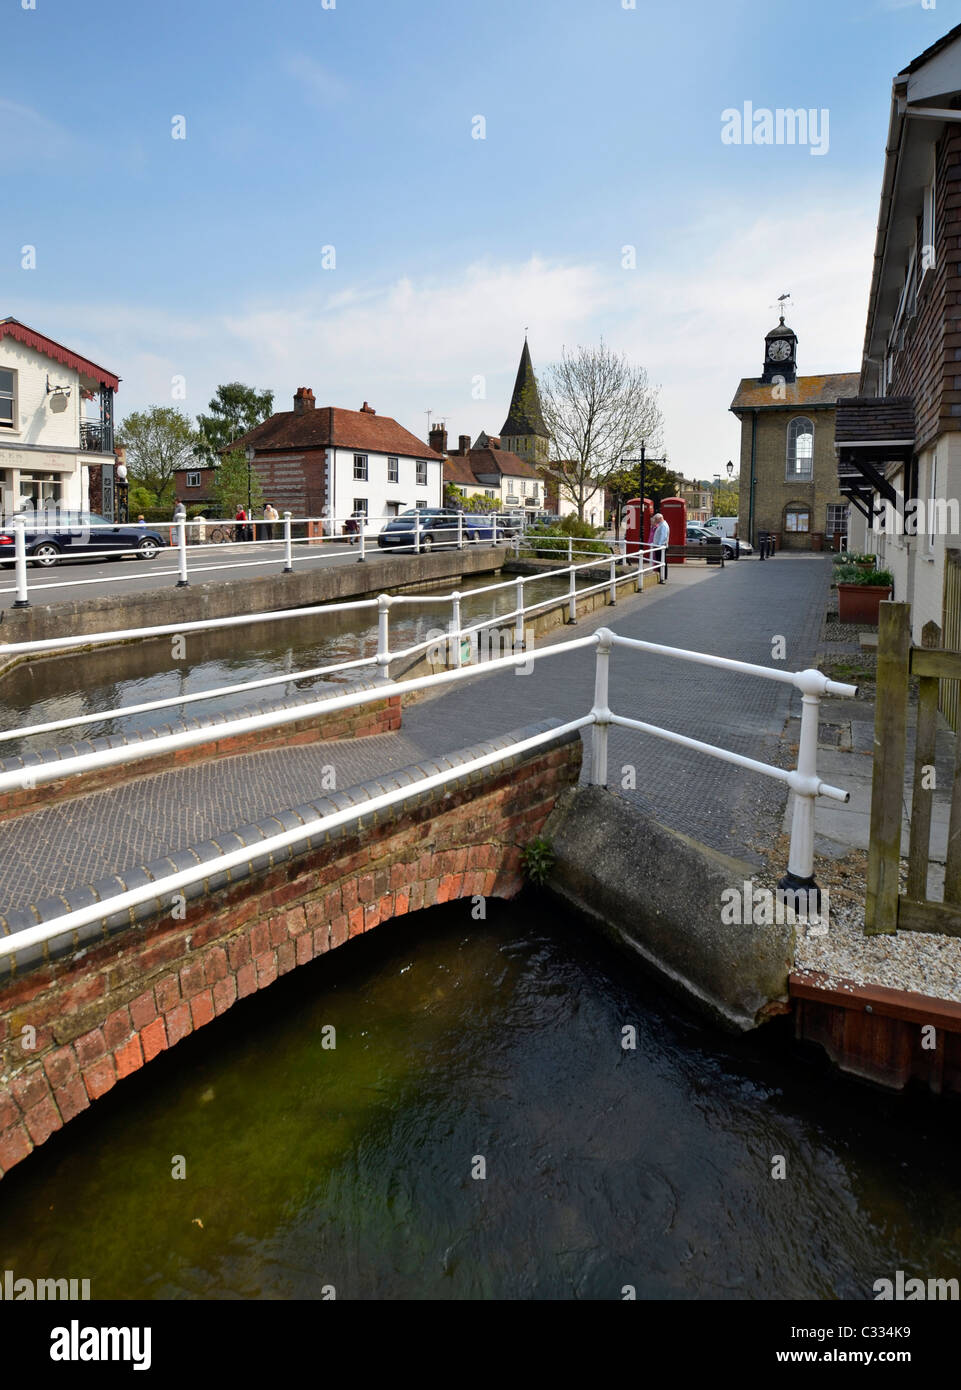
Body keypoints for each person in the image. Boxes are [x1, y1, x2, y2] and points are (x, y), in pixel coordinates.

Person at [649, 512, 670, 583]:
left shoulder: (663, 525)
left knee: (661, 562)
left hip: (661, 547)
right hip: (660, 546)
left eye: (656, 519)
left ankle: (662, 576)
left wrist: (659, 546)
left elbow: (663, 537)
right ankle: (662, 575)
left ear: (660, 518)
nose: (655, 521)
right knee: (661, 562)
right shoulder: (662, 525)